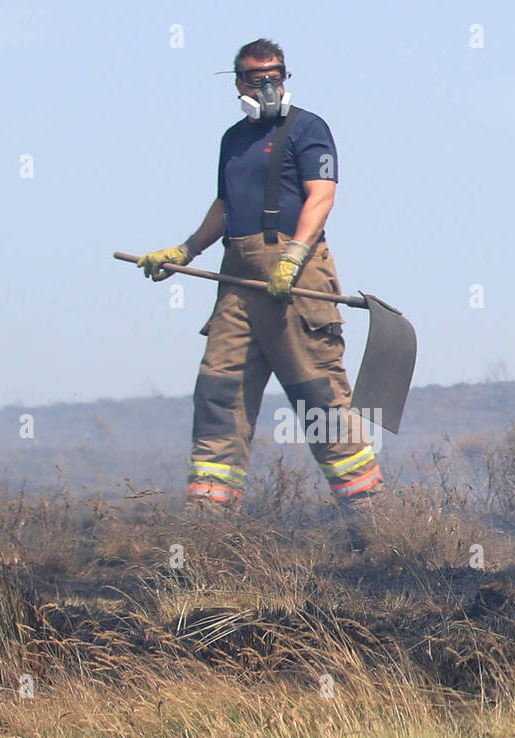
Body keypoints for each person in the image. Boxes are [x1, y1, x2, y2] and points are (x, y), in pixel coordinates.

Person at [137, 38, 383, 537]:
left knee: (318, 399)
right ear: (238, 83)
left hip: (298, 275)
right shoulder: (233, 139)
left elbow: (322, 196)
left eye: (276, 75)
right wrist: (185, 250)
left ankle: (375, 524)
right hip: (237, 275)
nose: (268, 85)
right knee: (217, 393)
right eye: (257, 77)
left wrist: (293, 257)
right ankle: (208, 529)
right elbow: (225, 205)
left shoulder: (307, 128)